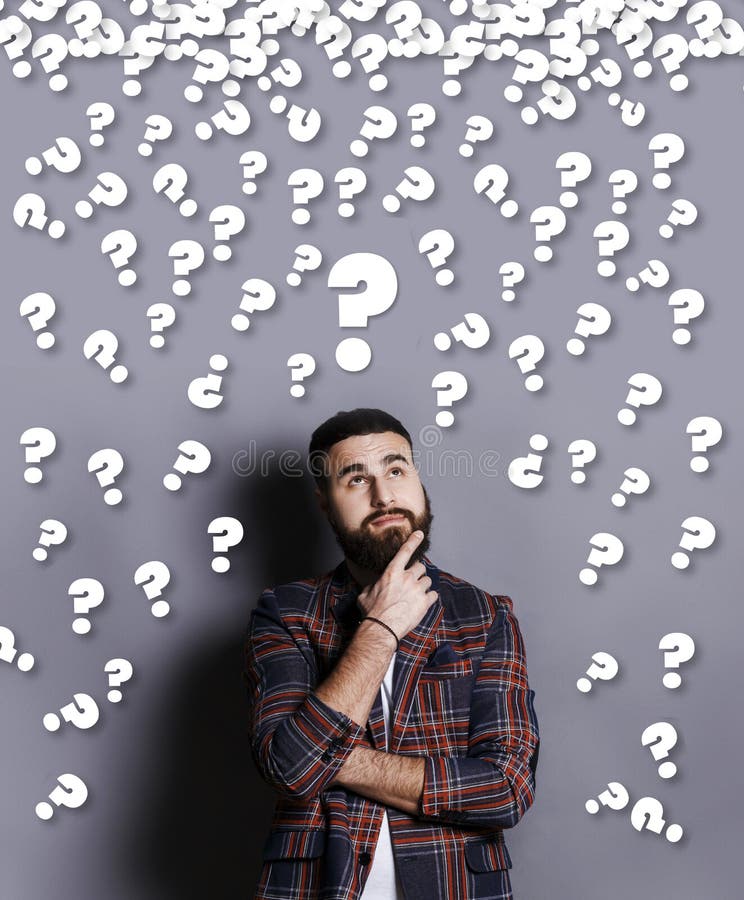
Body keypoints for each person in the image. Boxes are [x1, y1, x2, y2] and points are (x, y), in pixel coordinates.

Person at [244, 408, 539, 900]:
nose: (384, 497)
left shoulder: (485, 616)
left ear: (419, 483)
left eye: (396, 470)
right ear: (325, 503)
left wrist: (330, 757)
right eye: (356, 479)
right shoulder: (285, 612)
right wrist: (380, 628)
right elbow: (292, 772)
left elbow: (505, 788)